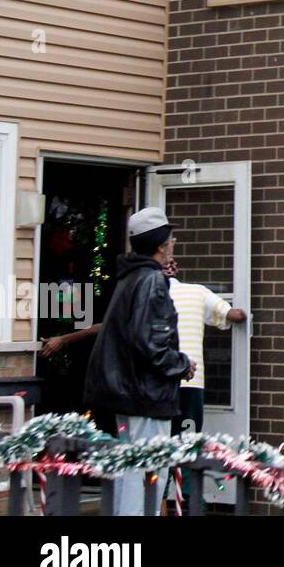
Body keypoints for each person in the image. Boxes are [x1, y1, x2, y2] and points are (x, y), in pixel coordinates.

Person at [83, 207, 194, 516]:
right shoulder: (151, 282)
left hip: (123, 395)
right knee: (147, 475)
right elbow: (151, 344)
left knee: (126, 471)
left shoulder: (131, 277)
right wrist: (182, 364)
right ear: (161, 246)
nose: (173, 243)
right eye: (171, 239)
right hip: (145, 395)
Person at [160, 252, 246, 437]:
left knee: (157, 441)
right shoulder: (198, 292)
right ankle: (184, 467)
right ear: (176, 271)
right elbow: (235, 315)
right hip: (191, 381)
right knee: (187, 442)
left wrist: (81, 332)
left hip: (158, 381)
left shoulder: (149, 294)